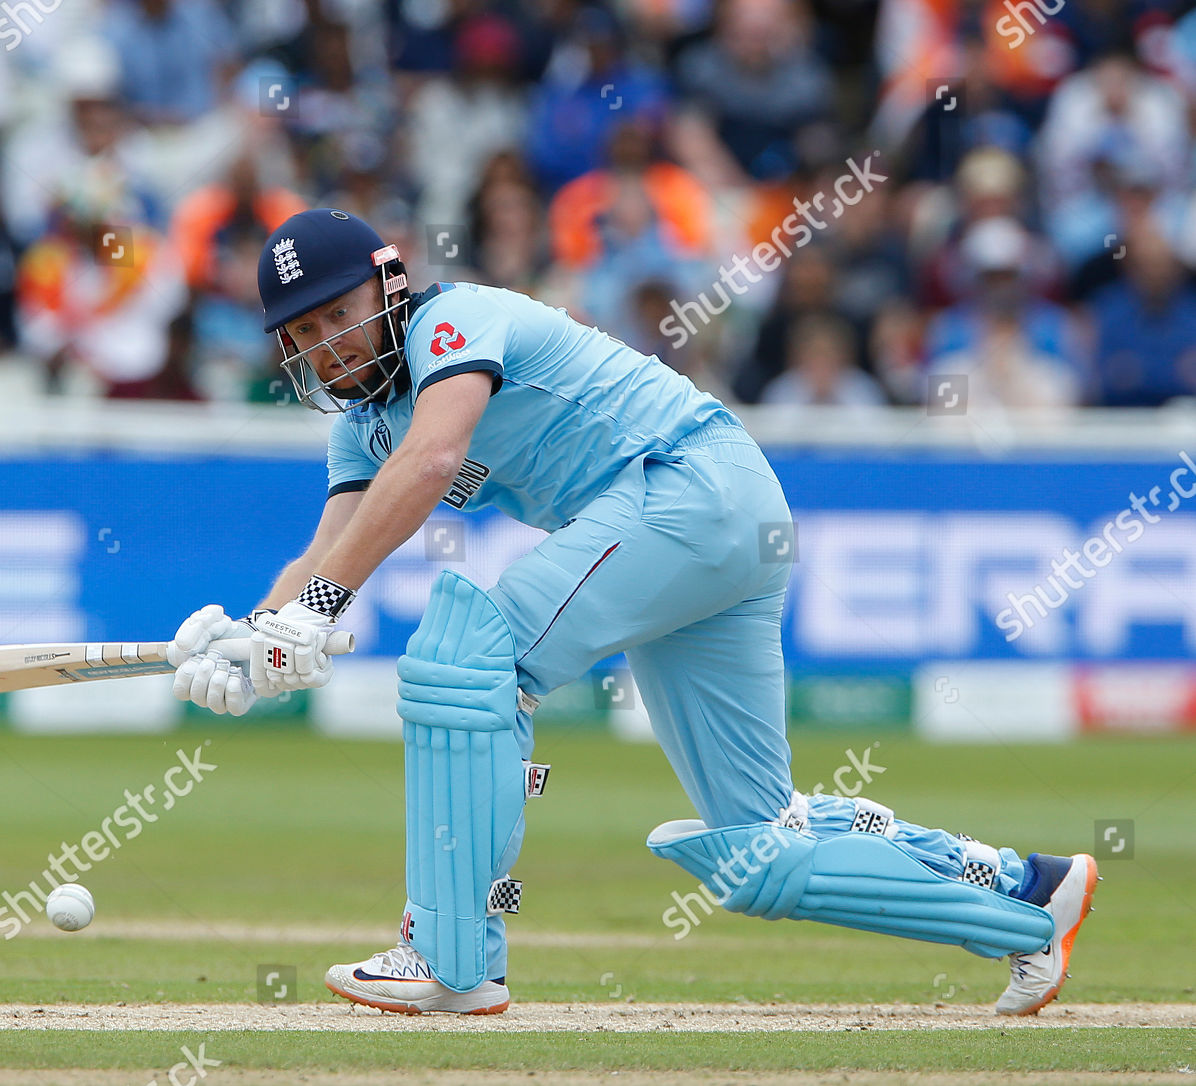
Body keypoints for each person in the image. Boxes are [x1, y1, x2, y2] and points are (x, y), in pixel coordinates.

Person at [165, 208, 1099, 1017]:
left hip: (684, 487)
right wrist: (256, 632)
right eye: (306, 330)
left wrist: (318, 610)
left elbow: (433, 463)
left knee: (469, 656)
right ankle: (1024, 895)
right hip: (699, 532)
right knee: (754, 850)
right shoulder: (358, 422)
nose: (330, 342)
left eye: (340, 314)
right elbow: (327, 546)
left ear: (389, 287)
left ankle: (450, 959)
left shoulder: (456, 320)